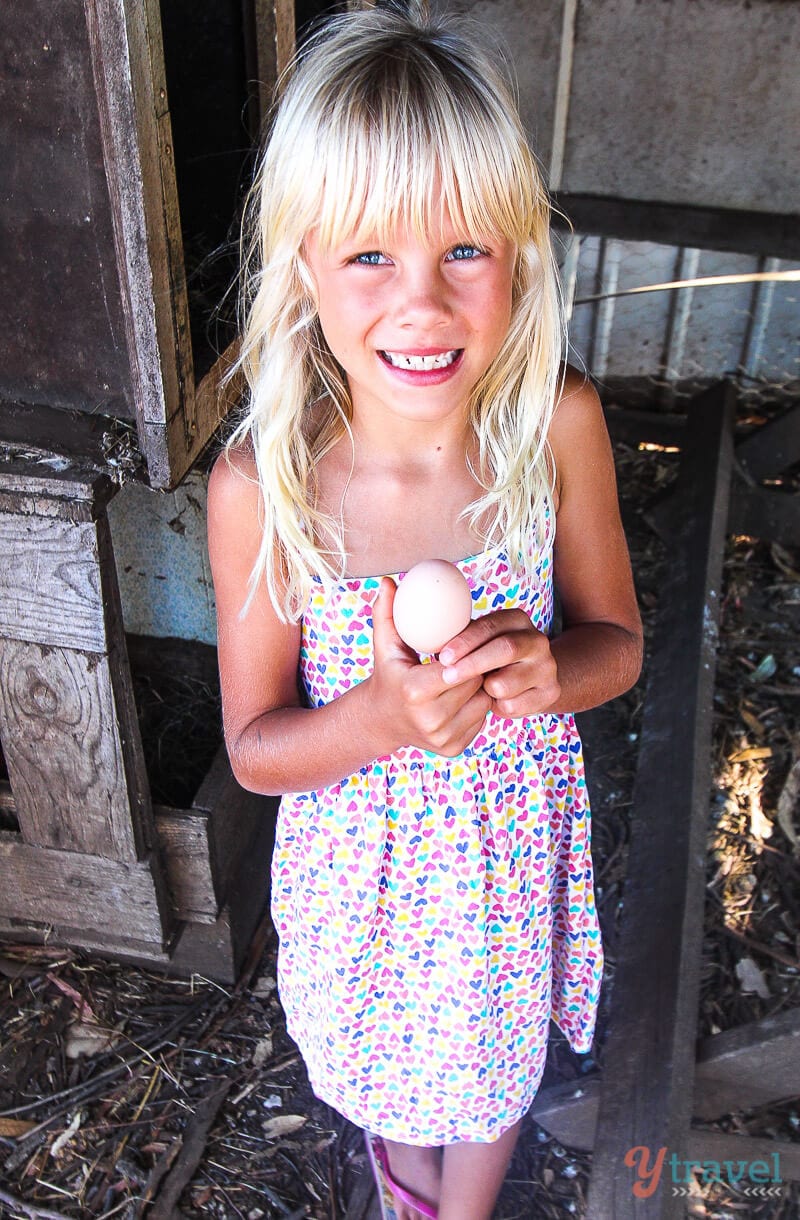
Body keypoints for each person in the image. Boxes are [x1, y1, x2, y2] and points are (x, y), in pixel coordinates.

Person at [207, 8, 642, 1219]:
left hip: (503, 865)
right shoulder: (266, 487)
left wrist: (556, 672)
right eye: (366, 257)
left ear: (518, 251)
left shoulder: (554, 424)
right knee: (392, 1073)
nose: (421, 303)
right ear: (300, 263)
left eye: (463, 248)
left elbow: (616, 643)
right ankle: (403, 1177)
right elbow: (255, 748)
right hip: (368, 880)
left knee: (494, 1067)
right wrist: (383, 717)